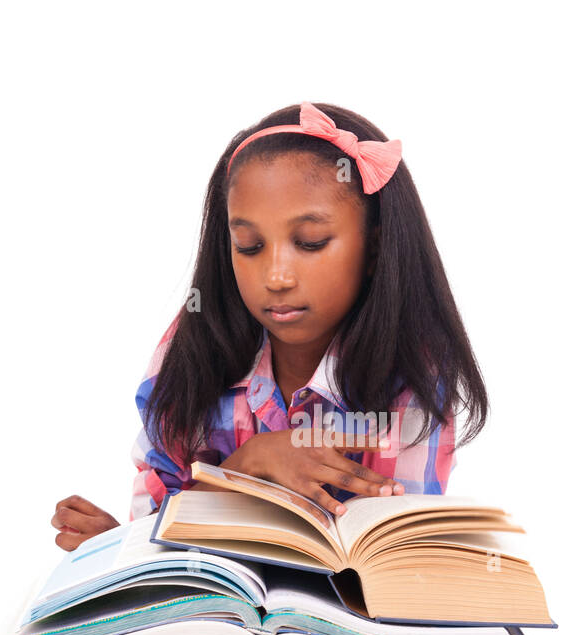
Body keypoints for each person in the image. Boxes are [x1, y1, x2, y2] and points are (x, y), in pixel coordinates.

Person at [51, 101, 488, 552]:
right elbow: (154, 528)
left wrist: (187, 514)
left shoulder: (414, 369)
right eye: (250, 246)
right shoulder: (196, 342)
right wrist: (249, 464)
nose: (276, 277)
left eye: (310, 243)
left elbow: (390, 554)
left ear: (374, 247)